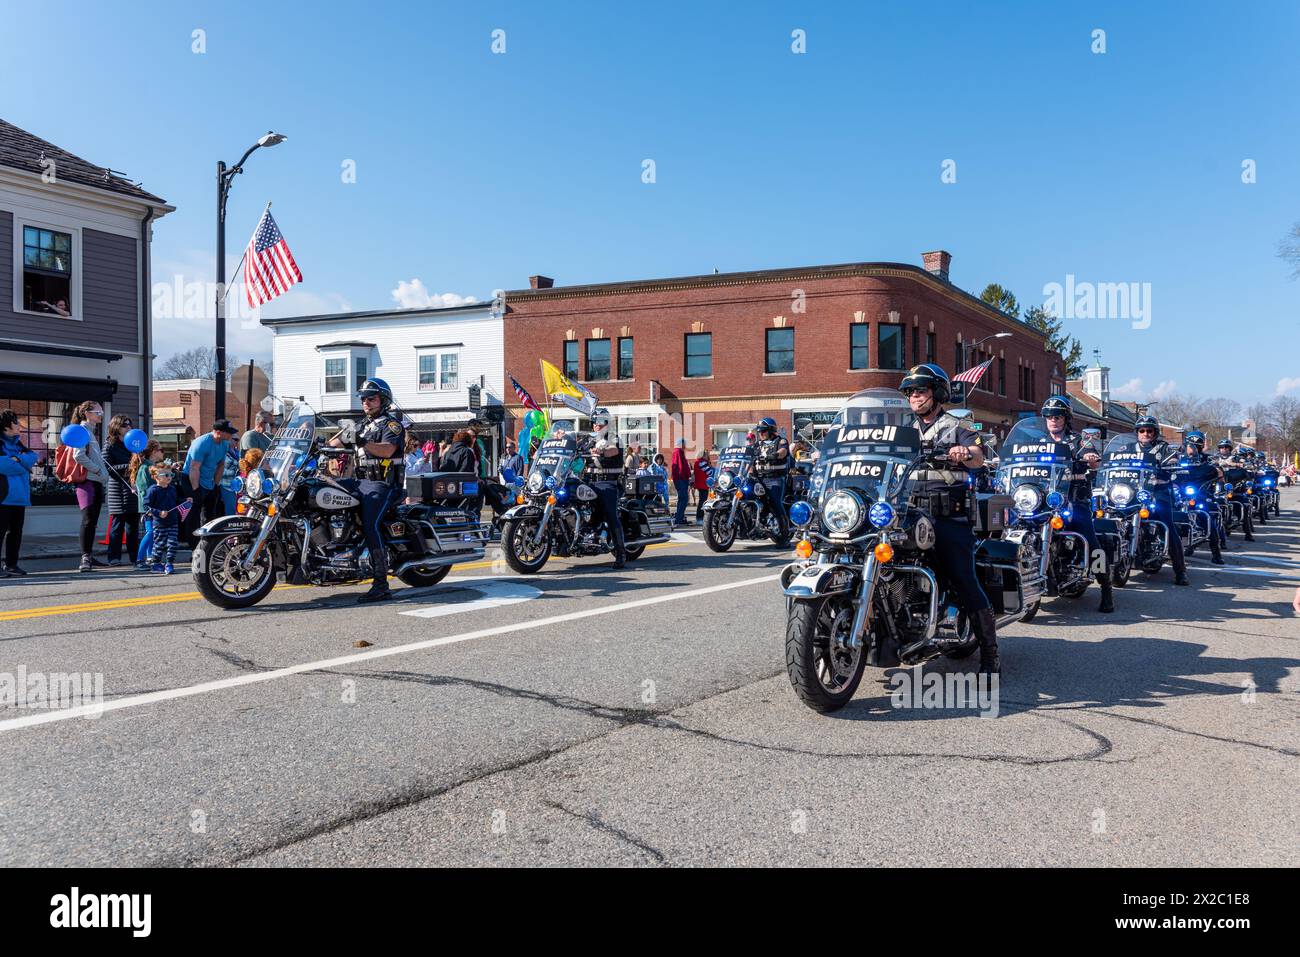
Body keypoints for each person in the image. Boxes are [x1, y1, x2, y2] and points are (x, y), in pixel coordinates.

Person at [900, 364, 1001, 674]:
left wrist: (964, 452)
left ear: (938, 393)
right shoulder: (901, 429)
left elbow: (979, 454)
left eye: (920, 390)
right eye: (909, 392)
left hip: (947, 515)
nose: (914, 397)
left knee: (962, 576)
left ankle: (989, 653)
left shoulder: (956, 425)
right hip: (907, 512)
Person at [328, 378, 406, 603]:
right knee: (322, 492)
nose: (366, 402)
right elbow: (336, 442)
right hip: (359, 483)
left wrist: (361, 441)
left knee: (370, 523)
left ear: (383, 400)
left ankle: (381, 584)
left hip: (382, 486)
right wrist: (315, 446)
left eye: (371, 398)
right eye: (363, 399)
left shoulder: (391, 425)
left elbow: (388, 450)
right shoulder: (360, 425)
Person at [1041, 395, 1115, 612]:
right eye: (1048, 416)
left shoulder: (1079, 442)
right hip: (1044, 501)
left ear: (1066, 418)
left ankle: (1106, 586)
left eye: (1057, 416)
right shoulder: (1038, 442)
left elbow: (1094, 461)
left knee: (1089, 540)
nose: (1053, 420)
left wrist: (1092, 459)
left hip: (1074, 499)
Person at [1135, 415, 1190, 586]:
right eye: (1141, 430)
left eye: (1149, 430)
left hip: (1158, 491)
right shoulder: (1127, 448)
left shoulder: (1164, 448)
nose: (1145, 433)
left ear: (1155, 432)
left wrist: (1173, 460)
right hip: (1131, 493)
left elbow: (1174, 459)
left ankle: (1180, 571)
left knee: (1168, 524)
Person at [67, 400, 108, 573]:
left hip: (96, 482)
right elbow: (79, 456)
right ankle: (85, 558)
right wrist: (98, 470)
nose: (101, 415)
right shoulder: (82, 431)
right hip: (88, 482)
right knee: (88, 520)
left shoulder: (91, 432)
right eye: (98, 412)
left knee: (93, 521)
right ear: (87, 414)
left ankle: (89, 556)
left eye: (101, 413)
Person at [583, 408, 627, 568]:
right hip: (589, 482)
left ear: (608, 423)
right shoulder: (588, 440)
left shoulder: (614, 438)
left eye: (600, 421)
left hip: (608, 483)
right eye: (594, 421)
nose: (596, 425)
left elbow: (612, 451)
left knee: (610, 515)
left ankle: (621, 553)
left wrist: (601, 450)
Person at [0, 408, 37, 577]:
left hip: (19, 496)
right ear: (5, 426)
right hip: (3, 496)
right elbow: (3, 465)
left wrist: (17, 460)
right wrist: (21, 464)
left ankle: (11, 565)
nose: (18, 424)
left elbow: (33, 457)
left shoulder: (18, 443)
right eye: (15, 422)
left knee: (16, 533)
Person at [1178, 430, 1224, 565]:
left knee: (1206, 515)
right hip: (1179, 494)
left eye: (1197, 445)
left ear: (1201, 446)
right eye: (1190, 444)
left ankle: (1216, 552)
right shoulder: (1177, 458)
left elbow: (1219, 472)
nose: (1192, 448)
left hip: (1199, 493)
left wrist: (1216, 472)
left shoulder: (1207, 460)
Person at [102, 414, 141, 567]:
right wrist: (130, 465)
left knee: (133, 527)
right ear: (116, 427)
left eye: (130, 424)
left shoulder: (133, 445)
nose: (128, 427)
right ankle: (114, 557)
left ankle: (135, 557)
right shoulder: (109, 445)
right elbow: (108, 469)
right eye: (125, 425)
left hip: (133, 489)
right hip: (117, 490)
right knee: (117, 527)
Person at [185, 420, 236, 532]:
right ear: (218, 432)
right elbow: (194, 468)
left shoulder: (225, 444)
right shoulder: (202, 443)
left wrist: (216, 485)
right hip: (192, 478)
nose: (231, 435)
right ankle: (193, 544)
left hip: (209, 481)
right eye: (228, 432)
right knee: (195, 512)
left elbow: (221, 465)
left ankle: (207, 539)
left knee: (210, 513)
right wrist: (196, 489)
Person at [753, 417, 791, 540]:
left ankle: (784, 535)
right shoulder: (757, 445)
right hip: (758, 478)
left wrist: (773, 455)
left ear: (771, 430)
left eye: (763, 431)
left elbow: (783, 451)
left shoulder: (780, 441)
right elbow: (748, 455)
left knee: (775, 502)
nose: (761, 433)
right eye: (759, 431)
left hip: (775, 478)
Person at [143, 462, 182, 575]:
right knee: (159, 544)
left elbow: (177, 501)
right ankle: (156, 564)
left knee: (173, 543)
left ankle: (169, 563)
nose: (169, 477)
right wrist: (158, 512)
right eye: (165, 475)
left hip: (173, 521)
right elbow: (146, 505)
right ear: (156, 477)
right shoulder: (153, 490)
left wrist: (186, 500)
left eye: (170, 475)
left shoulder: (172, 489)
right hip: (160, 523)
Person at [132, 440, 165, 568]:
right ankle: (140, 559)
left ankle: (150, 557)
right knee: (150, 532)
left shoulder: (152, 466)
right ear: (153, 452)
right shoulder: (145, 468)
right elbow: (145, 489)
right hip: (149, 508)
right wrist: (149, 507)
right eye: (161, 450)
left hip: (155, 506)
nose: (163, 452)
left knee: (154, 532)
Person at [670, 438, 692, 526]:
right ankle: (679, 518)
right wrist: (684, 477)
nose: (685, 446)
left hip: (681, 479)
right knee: (684, 499)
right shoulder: (678, 452)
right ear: (681, 444)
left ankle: (680, 517)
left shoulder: (679, 452)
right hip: (681, 479)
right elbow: (679, 468)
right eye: (684, 444)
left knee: (682, 499)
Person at [692, 450, 712, 524]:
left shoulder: (699, 462)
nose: (708, 456)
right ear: (703, 455)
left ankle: (700, 517)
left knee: (702, 501)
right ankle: (699, 518)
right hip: (703, 484)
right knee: (702, 502)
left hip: (701, 484)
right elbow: (710, 472)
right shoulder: (702, 462)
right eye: (707, 455)